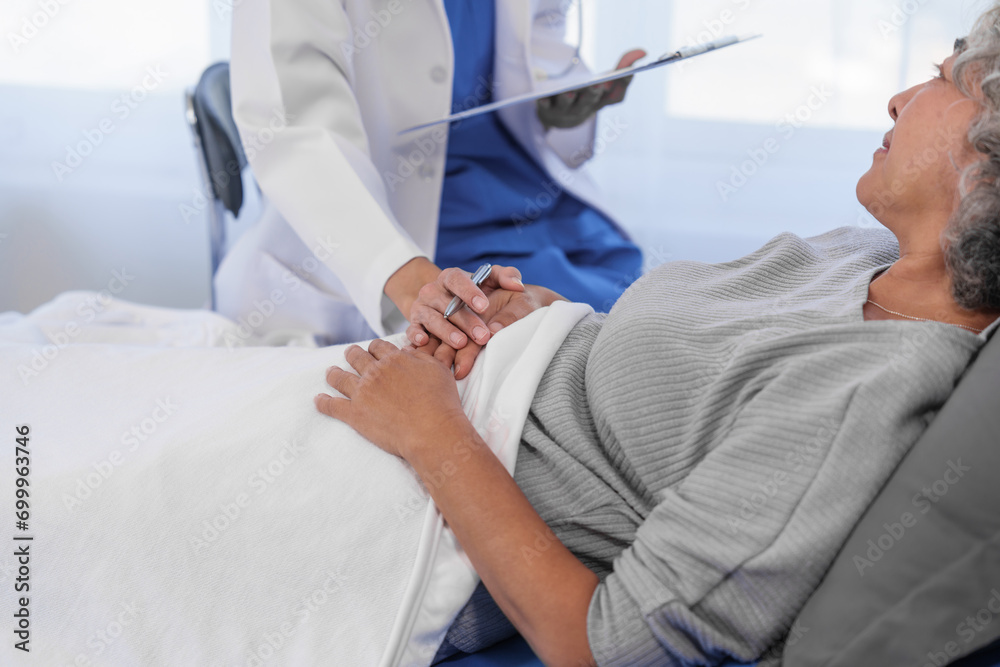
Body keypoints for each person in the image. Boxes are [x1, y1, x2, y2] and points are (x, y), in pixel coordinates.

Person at [314, 4, 1000, 664]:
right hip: (423, 403)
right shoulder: (861, 254)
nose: (898, 98)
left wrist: (432, 432)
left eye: (942, 79)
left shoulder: (870, 389)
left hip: (399, 515)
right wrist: (548, 318)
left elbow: (597, 646)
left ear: (989, 164)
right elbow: (682, 395)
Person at [220, 0, 644, 358]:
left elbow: (540, 43)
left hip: (539, 212)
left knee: (636, 336)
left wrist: (559, 105)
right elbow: (296, 127)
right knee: (562, 365)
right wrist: (405, 275)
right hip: (396, 240)